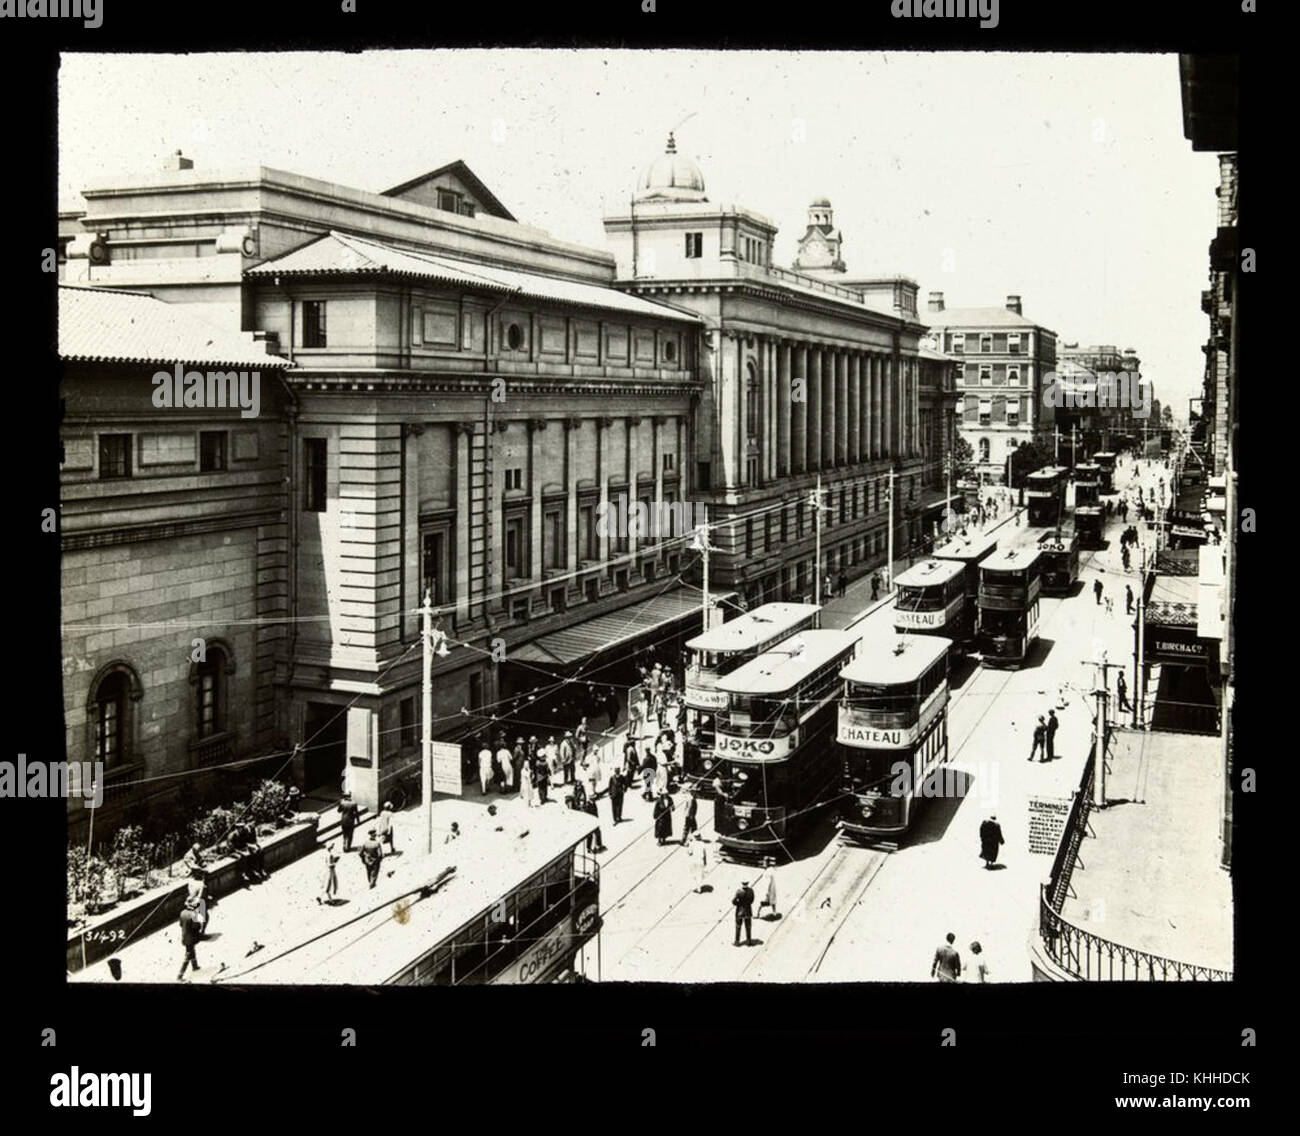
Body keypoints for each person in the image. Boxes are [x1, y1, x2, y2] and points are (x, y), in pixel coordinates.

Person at [177, 897, 203, 981]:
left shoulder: (182, 913)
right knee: (188, 955)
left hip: (184, 937)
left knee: (191, 951)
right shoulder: (194, 914)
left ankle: (195, 966)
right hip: (191, 938)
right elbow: (197, 927)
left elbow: (181, 924)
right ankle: (180, 975)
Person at [733, 880, 755, 946]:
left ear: (742, 883)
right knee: (748, 926)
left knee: (738, 926)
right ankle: (749, 941)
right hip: (748, 911)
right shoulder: (751, 891)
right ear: (748, 883)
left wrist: (738, 904)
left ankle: (737, 941)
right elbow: (752, 900)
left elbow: (733, 901)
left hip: (740, 911)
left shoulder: (739, 891)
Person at [318, 841, 340, 905]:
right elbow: (330, 864)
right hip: (330, 871)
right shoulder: (330, 855)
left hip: (326, 870)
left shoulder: (325, 853)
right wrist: (335, 861)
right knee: (328, 885)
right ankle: (330, 900)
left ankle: (321, 897)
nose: (332, 847)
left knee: (327, 885)